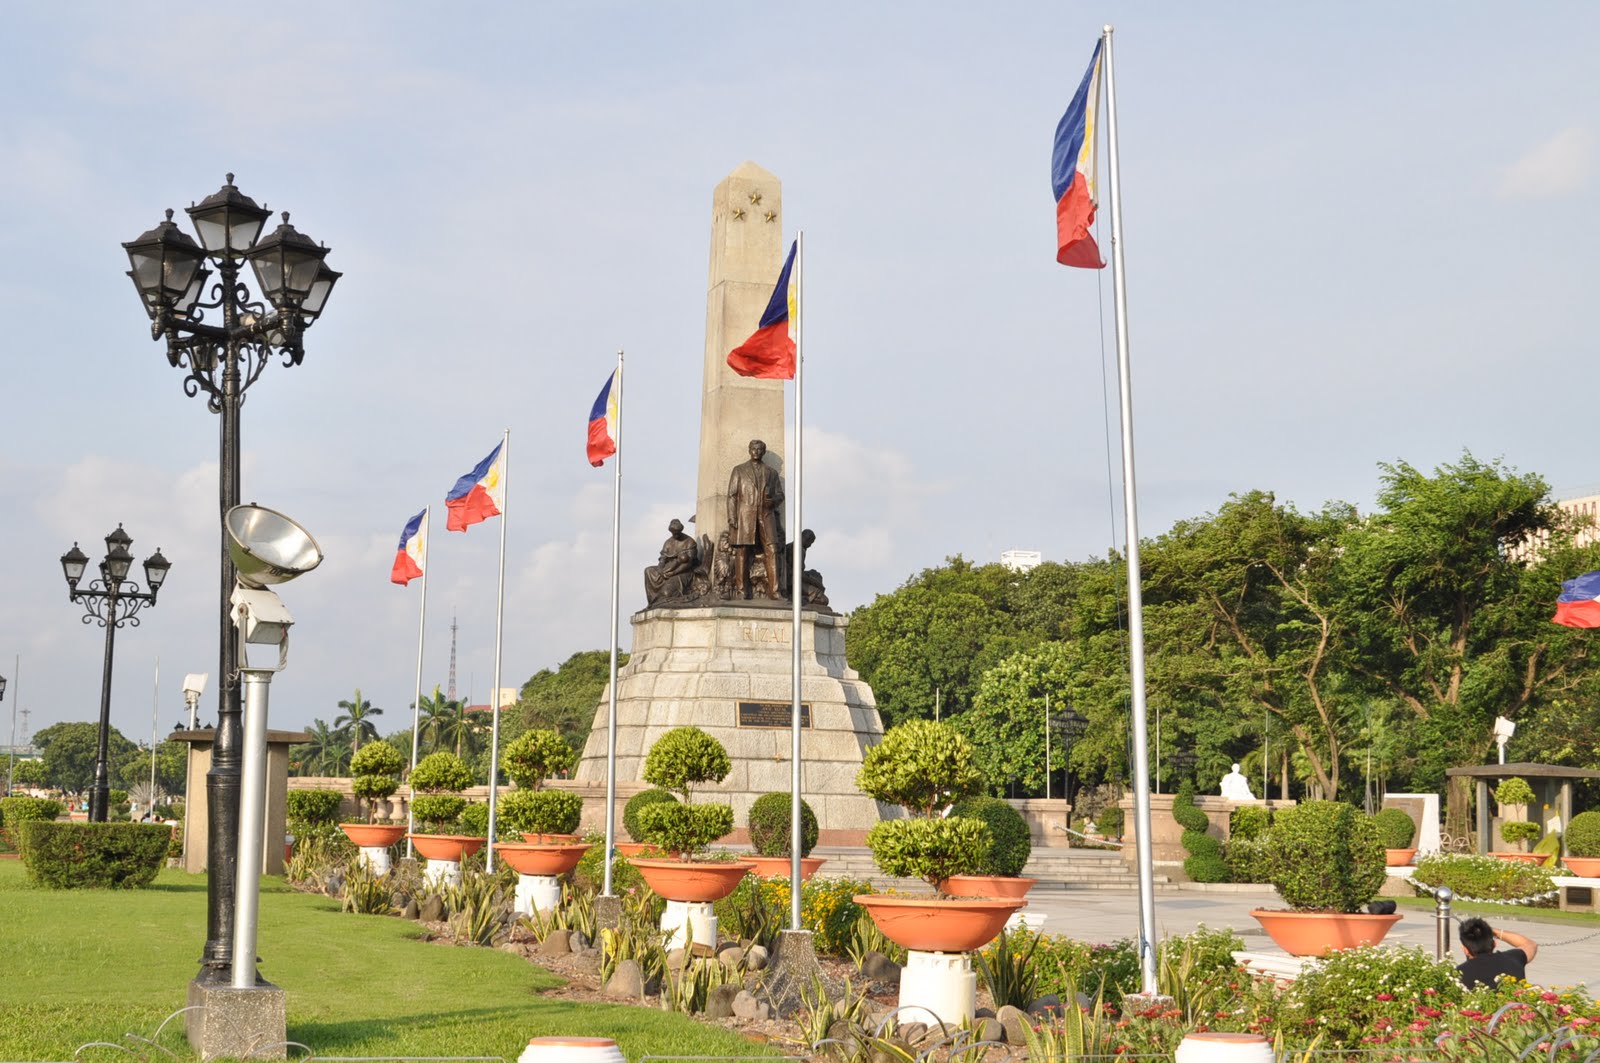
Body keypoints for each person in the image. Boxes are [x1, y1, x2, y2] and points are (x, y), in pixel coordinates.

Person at [726, 439, 784, 600]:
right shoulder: (739, 470)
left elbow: (780, 495)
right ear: (749, 450)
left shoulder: (771, 473)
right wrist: (732, 517)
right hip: (745, 516)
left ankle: (775, 591)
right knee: (742, 552)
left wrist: (773, 501)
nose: (756, 451)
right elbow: (732, 496)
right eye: (753, 448)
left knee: (772, 550)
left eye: (759, 449)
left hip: (766, 516)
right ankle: (741, 590)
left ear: (763, 451)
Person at [1457, 916, 1538, 989]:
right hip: (1514, 1005)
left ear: (1465, 950)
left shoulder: (1457, 974)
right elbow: (1531, 944)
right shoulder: (1514, 958)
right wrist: (1493, 932)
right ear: (1495, 944)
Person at [643, 518, 698, 605]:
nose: (675, 535)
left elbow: (689, 564)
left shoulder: (690, 542)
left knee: (667, 593)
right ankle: (652, 601)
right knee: (648, 571)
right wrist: (660, 569)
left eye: (677, 533)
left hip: (683, 571)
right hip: (668, 568)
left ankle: (665, 598)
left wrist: (674, 572)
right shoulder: (668, 542)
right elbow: (663, 558)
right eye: (673, 533)